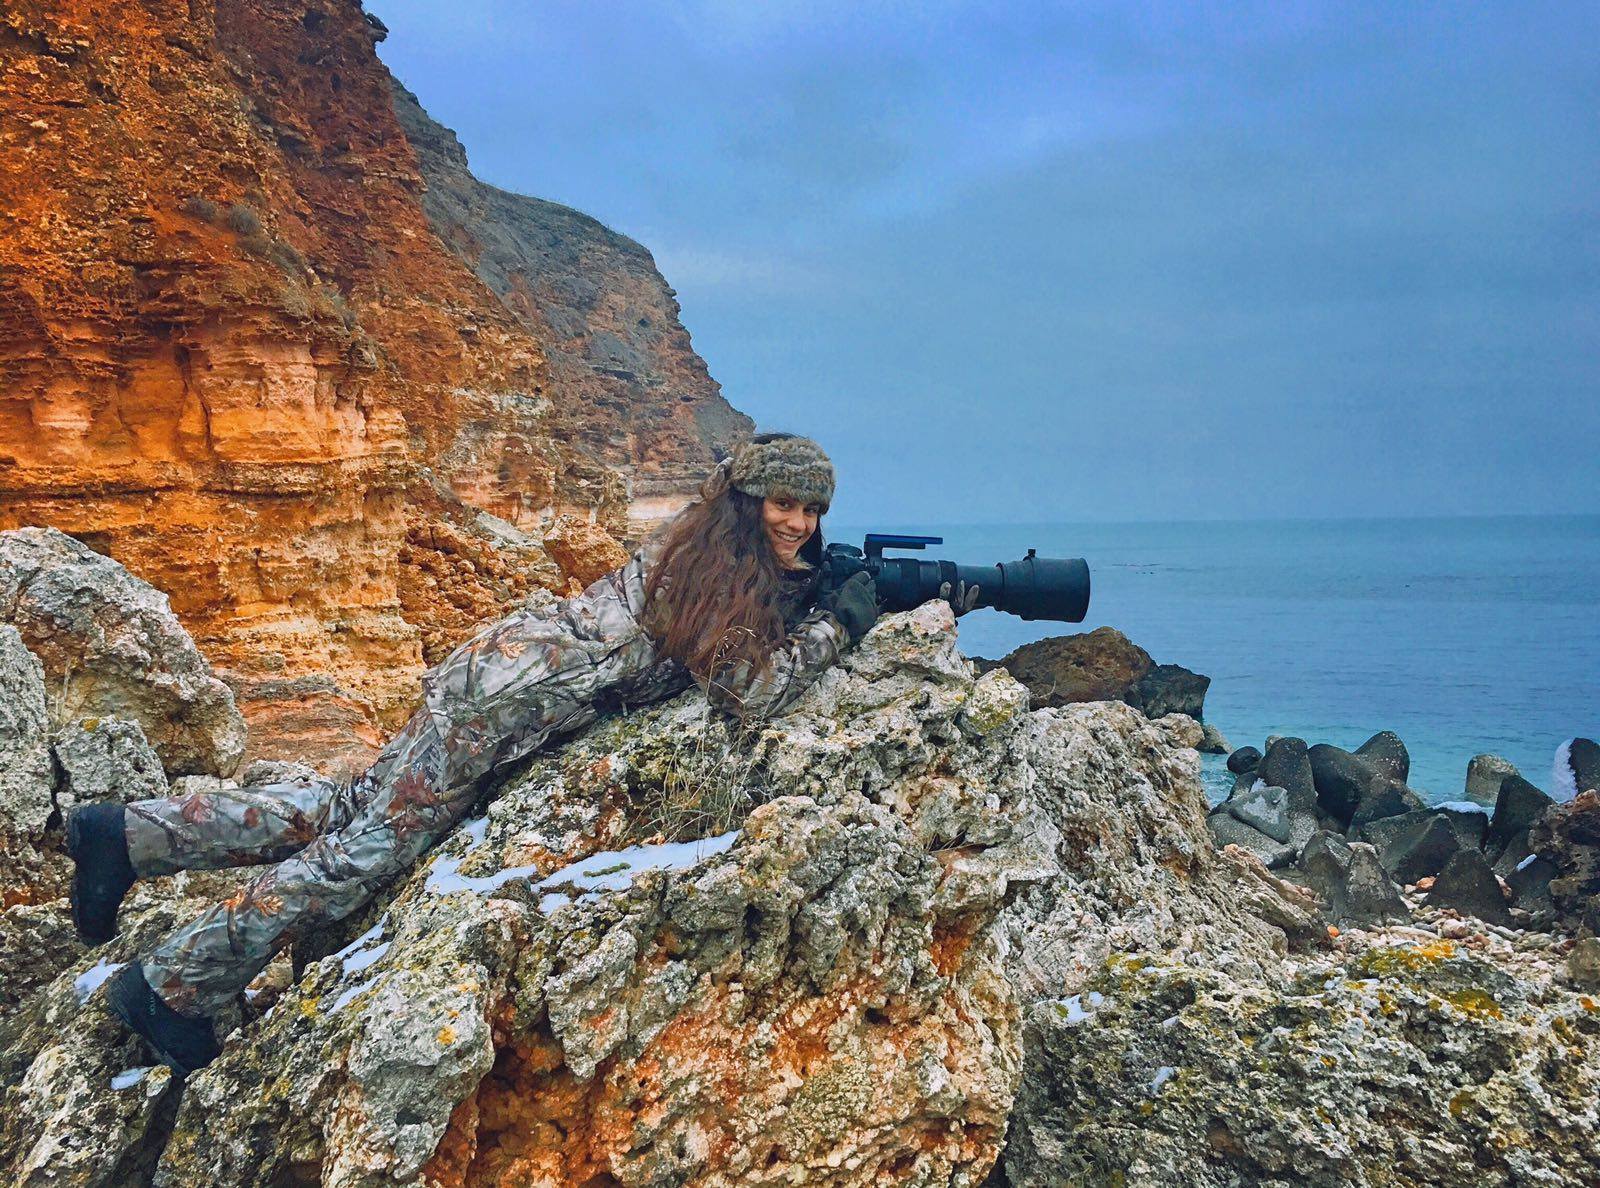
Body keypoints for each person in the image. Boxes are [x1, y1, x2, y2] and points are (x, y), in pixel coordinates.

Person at [65, 432, 882, 1074]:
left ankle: (125, 835)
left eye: (813, 510)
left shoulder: (711, 545)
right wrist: (835, 628)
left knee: (345, 810)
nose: (800, 524)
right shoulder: (711, 572)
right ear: (748, 500)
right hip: (497, 709)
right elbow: (747, 685)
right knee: (361, 855)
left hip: (496, 677)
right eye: (784, 503)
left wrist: (804, 589)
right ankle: (171, 986)